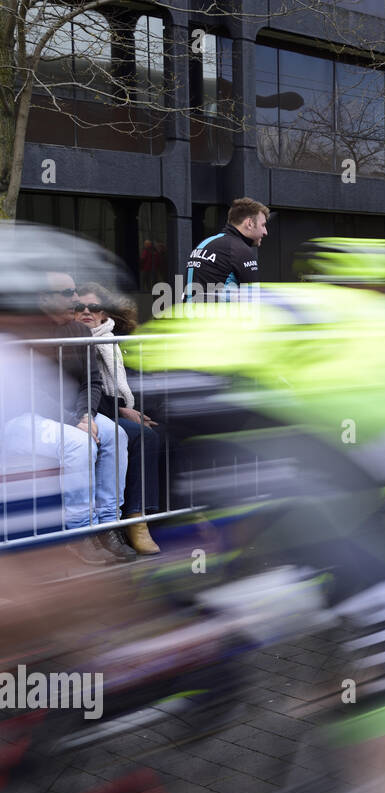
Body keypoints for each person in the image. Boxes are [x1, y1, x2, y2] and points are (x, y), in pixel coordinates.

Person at [2, 266, 131, 564]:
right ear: (43, 298)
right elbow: (32, 392)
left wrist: (85, 415)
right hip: (21, 417)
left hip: (71, 413)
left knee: (116, 434)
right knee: (79, 443)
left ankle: (108, 525)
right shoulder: (25, 332)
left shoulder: (79, 331)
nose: (75, 298)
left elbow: (92, 381)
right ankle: (79, 532)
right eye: (67, 292)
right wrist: (77, 420)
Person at [76, 283, 162, 555]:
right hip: (92, 411)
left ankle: (159, 515)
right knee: (140, 436)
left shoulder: (113, 339)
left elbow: (134, 382)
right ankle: (134, 521)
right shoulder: (73, 340)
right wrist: (122, 410)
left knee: (165, 434)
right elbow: (86, 389)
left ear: (104, 313)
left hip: (112, 409)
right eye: (79, 307)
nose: (86, 312)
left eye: (94, 307)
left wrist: (138, 410)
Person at [183, 197, 268, 302]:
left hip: (187, 310)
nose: (265, 232)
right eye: (263, 225)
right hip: (217, 312)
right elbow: (253, 299)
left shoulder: (205, 243)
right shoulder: (240, 250)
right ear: (250, 223)